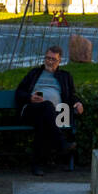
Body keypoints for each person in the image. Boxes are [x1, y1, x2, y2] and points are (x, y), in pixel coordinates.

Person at [15, 44, 84, 175]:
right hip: (31, 110)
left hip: (57, 113)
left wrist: (78, 103)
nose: (49, 62)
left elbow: (71, 95)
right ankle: (62, 144)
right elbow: (19, 93)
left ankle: (36, 166)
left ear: (59, 61)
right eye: (47, 58)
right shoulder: (34, 73)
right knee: (46, 107)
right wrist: (30, 97)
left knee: (44, 119)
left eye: (53, 59)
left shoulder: (65, 76)